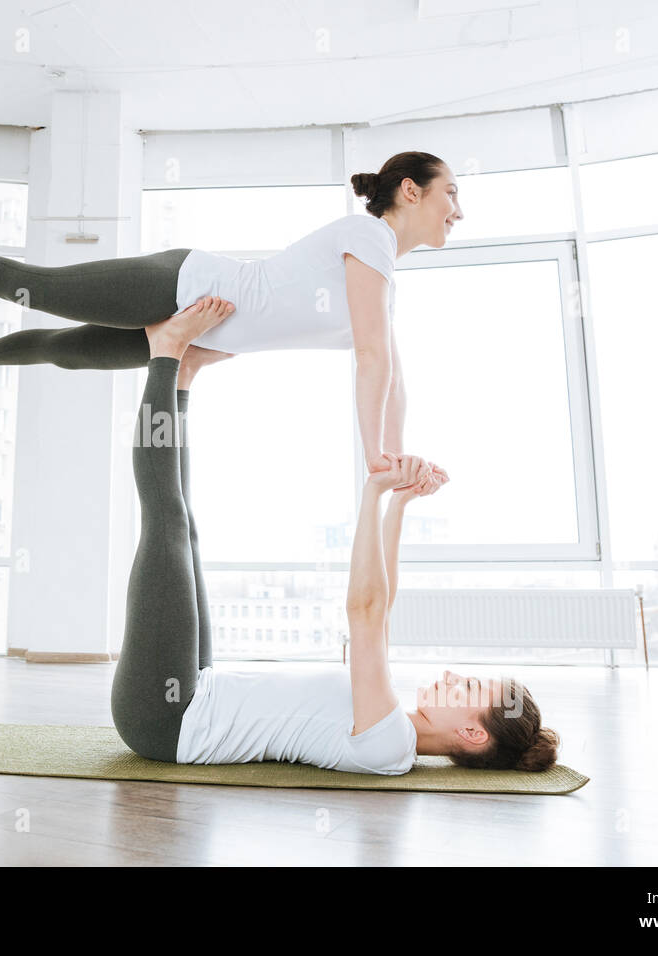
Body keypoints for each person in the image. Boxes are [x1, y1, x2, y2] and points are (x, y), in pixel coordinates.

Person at [111, 296, 560, 774]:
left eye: (466, 688)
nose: (451, 675)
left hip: (168, 720)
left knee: (166, 522)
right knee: (185, 528)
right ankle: (181, 378)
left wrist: (374, 492)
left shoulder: (386, 743)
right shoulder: (389, 716)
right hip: (197, 689)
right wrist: (400, 501)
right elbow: (382, 606)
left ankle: (165, 354)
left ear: (472, 734)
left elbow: (363, 611)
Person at [0, 151, 461, 475]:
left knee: (64, 353)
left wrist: (396, 457)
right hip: (183, 285)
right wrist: (377, 454)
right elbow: (373, 359)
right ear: (410, 191)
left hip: (189, 334)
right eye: (451, 193)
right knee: (27, 284)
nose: (458, 209)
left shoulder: (382, 282)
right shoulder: (370, 237)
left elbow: (393, 375)